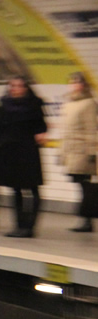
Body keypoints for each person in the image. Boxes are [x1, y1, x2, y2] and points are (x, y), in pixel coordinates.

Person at [0, 76, 48, 238]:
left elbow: (41, 126)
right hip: (11, 151)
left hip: (29, 150)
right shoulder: (4, 104)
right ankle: (18, 225)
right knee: (15, 189)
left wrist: (41, 135)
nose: (16, 89)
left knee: (32, 188)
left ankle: (30, 226)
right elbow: (0, 127)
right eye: (13, 86)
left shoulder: (34, 104)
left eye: (19, 86)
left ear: (26, 88)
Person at [59, 72, 97, 232]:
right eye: (72, 82)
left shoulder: (89, 103)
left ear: (84, 85)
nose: (74, 85)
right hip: (72, 152)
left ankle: (86, 220)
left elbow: (91, 129)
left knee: (86, 187)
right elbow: (65, 132)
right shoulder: (67, 104)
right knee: (81, 186)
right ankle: (85, 219)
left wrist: (92, 151)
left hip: (82, 152)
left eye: (77, 82)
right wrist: (61, 153)